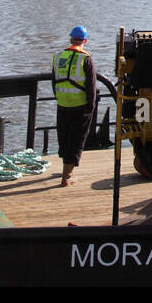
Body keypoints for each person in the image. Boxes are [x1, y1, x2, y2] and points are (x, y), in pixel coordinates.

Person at [52, 25, 96, 187]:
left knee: (64, 138)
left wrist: (59, 98)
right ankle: (66, 178)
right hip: (80, 106)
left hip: (62, 104)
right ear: (85, 40)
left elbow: (54, 81)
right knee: (76, 141)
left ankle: (65, 167)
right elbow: (91, 87)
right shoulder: (85, 59)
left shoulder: (58, 56)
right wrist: (90, 108)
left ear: (71, 39)